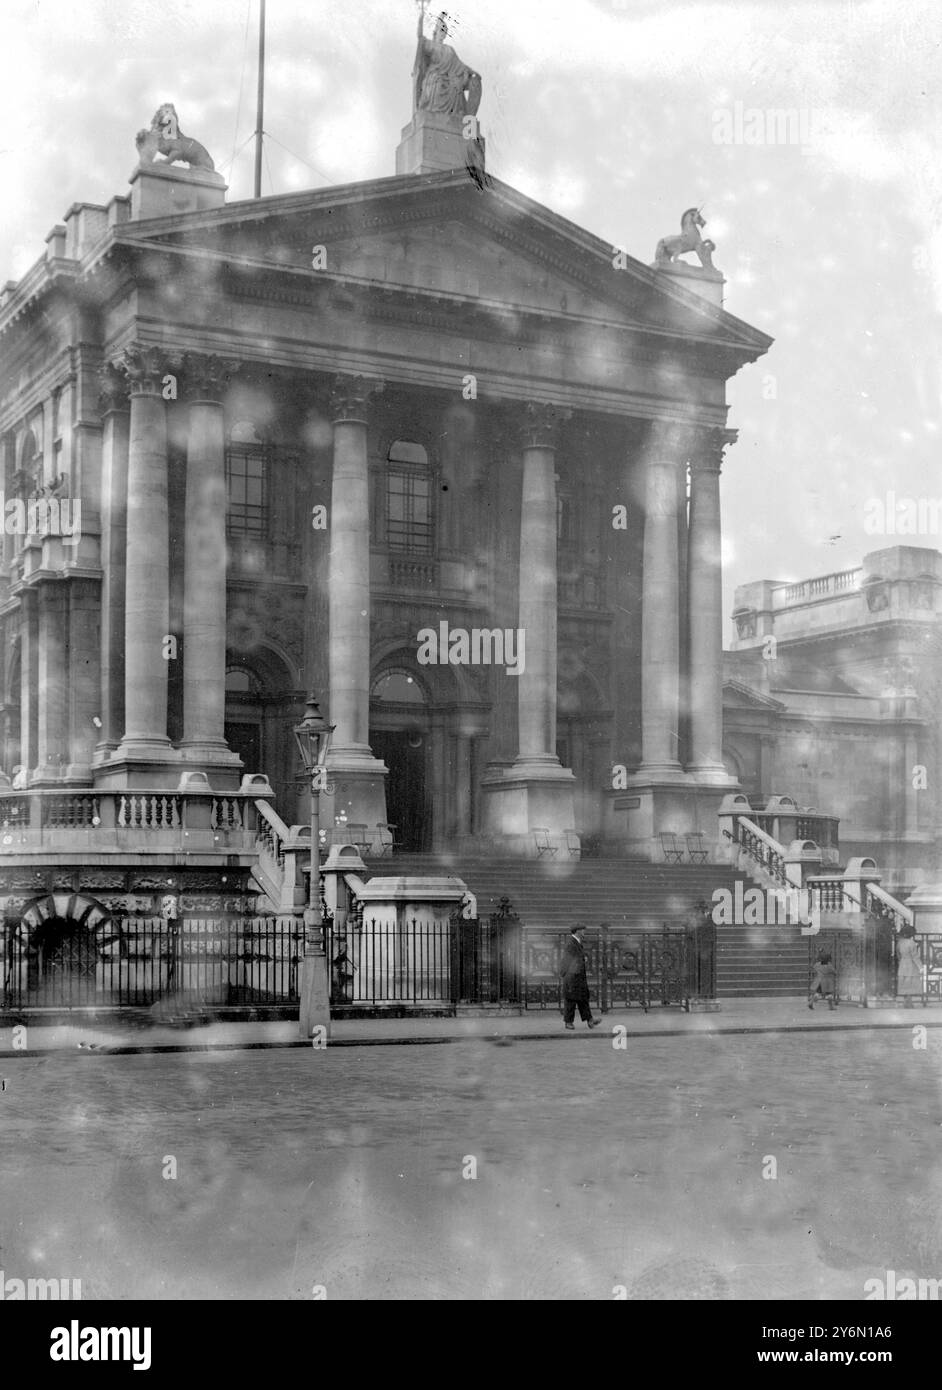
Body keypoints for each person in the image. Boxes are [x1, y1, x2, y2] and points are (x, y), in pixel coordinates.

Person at [558, 923, 602, 1030]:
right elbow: (566, 961)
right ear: (577, 931)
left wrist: (583, 960)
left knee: (583, 998)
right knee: (571, 1000)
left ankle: (590, 1020)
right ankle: (568, 1022)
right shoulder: (571, 944)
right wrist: (564, 974)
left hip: (578, 976)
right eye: (582, 930)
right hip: (572, 976)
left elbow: (576, 958)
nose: (584, 932)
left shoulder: (576, 942)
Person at [895, 924, 923, 1006]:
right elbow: (915, 956)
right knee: (910, 983)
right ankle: (909, 1002)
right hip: (911, 965)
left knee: (904, 983)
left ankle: (905, 1001)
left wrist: (901, 961)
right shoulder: (912, 943)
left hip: (903, 964)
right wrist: (920, 967)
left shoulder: (900, 942)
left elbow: (898, 954)